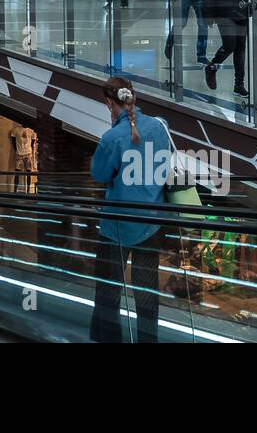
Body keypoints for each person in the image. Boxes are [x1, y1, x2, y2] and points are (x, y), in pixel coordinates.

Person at [89, 77, 172, 343]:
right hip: (151, 224)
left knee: (108, 290)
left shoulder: (112, 138)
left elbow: (100, 174)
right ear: (133, 98)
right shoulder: (160, 127)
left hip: (116, 227)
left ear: (109, 103)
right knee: (147, 292)